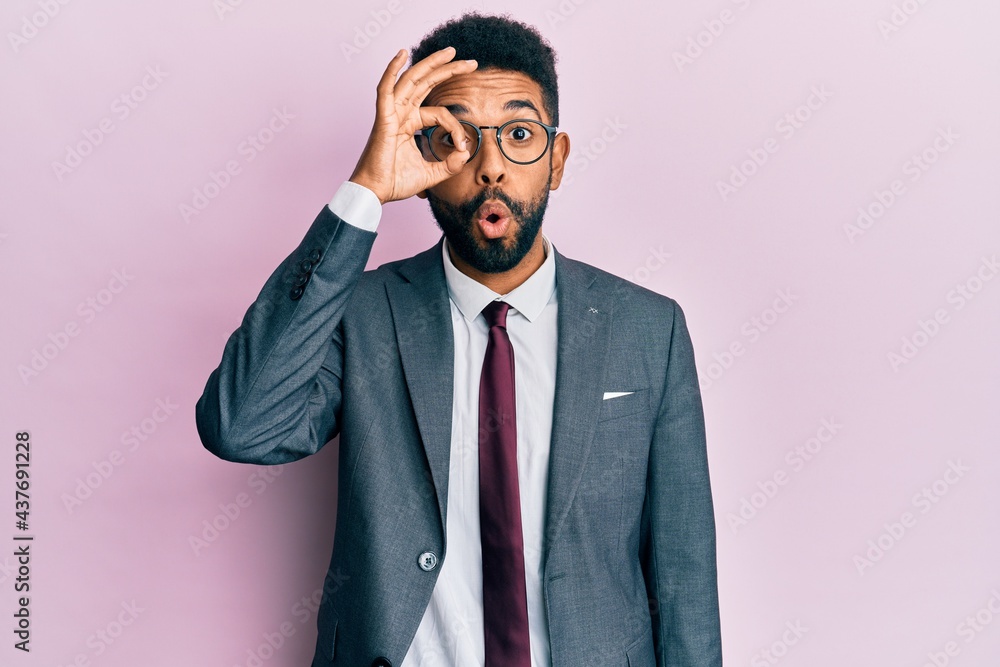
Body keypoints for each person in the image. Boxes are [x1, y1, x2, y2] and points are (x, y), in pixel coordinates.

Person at [196, 11, 722, 667]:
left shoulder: (650, 328)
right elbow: (241, 425)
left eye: (520, 134)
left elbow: (683, 580)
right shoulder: (363, 314)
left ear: (556, 161)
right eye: (459, 139)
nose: (492, 167)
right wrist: (364, 191)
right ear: (422, 153)